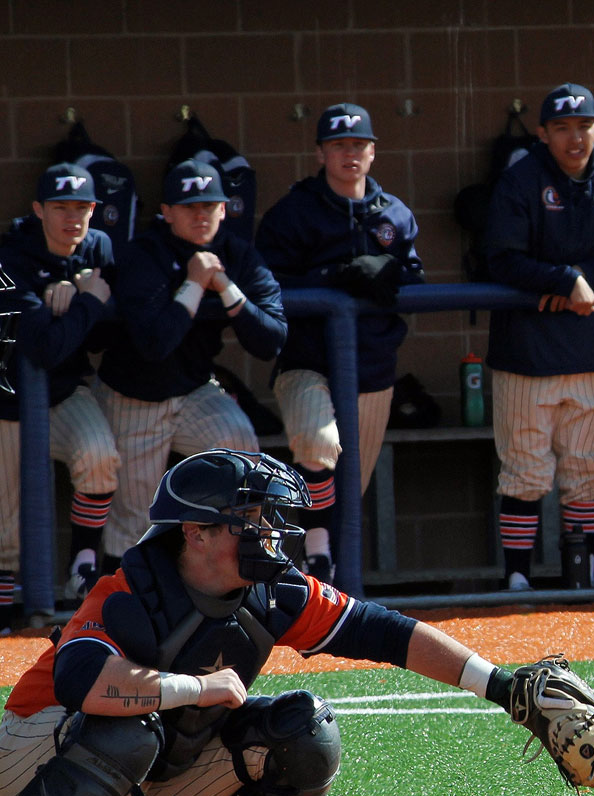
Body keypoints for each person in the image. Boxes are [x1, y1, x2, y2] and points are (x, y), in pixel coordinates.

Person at [0, 448, 591, 796]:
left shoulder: (272, 592)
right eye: (248, 518)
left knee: (305, 731)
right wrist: (195, 688)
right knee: (129, 726)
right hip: (32, 758)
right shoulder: (129, 591)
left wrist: (501, 686)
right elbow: (83, 683)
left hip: (149, 780)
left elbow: (385, 632)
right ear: (196, 532)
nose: (268, 531)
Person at [481, 83, 594, 591]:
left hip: (589, 347)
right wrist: (561, 281)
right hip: (525, 352)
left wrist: (579, 279)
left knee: (585, 469)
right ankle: (517, 579)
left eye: (583, 127)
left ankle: (583, 574)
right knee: (525, 471)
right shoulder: (520, 178)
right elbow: (501, 258)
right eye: (561, 128)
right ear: (543, 133)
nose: (574, 138)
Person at [255, 103, 424, 585]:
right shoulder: (294, 211)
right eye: (338, 145)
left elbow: (416, 280)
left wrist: (391, 272)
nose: (349, 154)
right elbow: (265, 283)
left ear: (372, 152)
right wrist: (333, 276)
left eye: (358, 145)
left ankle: (332, 586)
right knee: (317, 444)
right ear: (320, 153)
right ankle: (316, 553)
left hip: (372, 365)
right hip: (307, 360)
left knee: (353, 485)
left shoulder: (394, 214)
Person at [96, 160, 287, 572]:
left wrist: (226, 288)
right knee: (136, 518)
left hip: (195, 390)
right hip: (136, 395)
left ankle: (249, 568)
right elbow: (155, 344)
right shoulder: (143, 254)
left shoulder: (236, 254)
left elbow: (271, 339)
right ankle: (116, 598)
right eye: (189, 207)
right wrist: (196, 283)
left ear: (224, 209)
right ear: (167, 212)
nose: (201, 215)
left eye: (209, 205)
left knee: (241, 452)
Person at [0, 163, 122, 625]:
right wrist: (87, 301)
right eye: (60, 208)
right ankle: (7, 613)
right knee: (6, 522)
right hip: (7, 400)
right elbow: (44, 346)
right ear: (38, 210)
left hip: (64, 391)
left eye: (82, 208)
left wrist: (76, 294)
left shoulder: (98, 246)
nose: (73, 218)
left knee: (99, 456)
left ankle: (82, 568)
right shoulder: (11, 258)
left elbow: (114, 324)